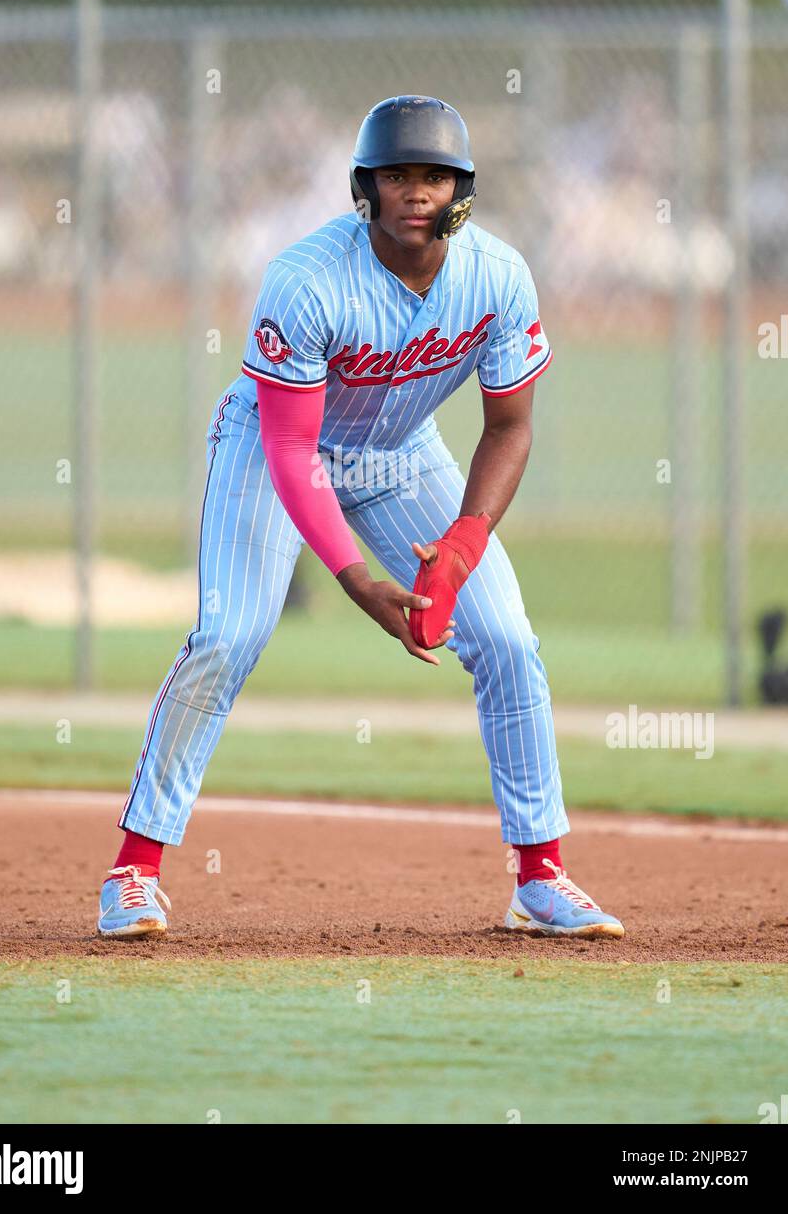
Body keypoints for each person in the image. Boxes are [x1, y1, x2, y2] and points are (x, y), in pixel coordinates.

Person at [97, 95, 625, 941]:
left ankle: (540, 878)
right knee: (230, 635)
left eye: (433, 174)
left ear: (462, 189)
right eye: (396, 174)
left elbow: (511, 427)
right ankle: (135, 869)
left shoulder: (498, 277)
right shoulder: (306, 281)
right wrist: (359, 583)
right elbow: (297, 451)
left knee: (507, 638)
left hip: (404, 453)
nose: (415, 189)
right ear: (364, 188)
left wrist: (464, 540)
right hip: (273, 448)